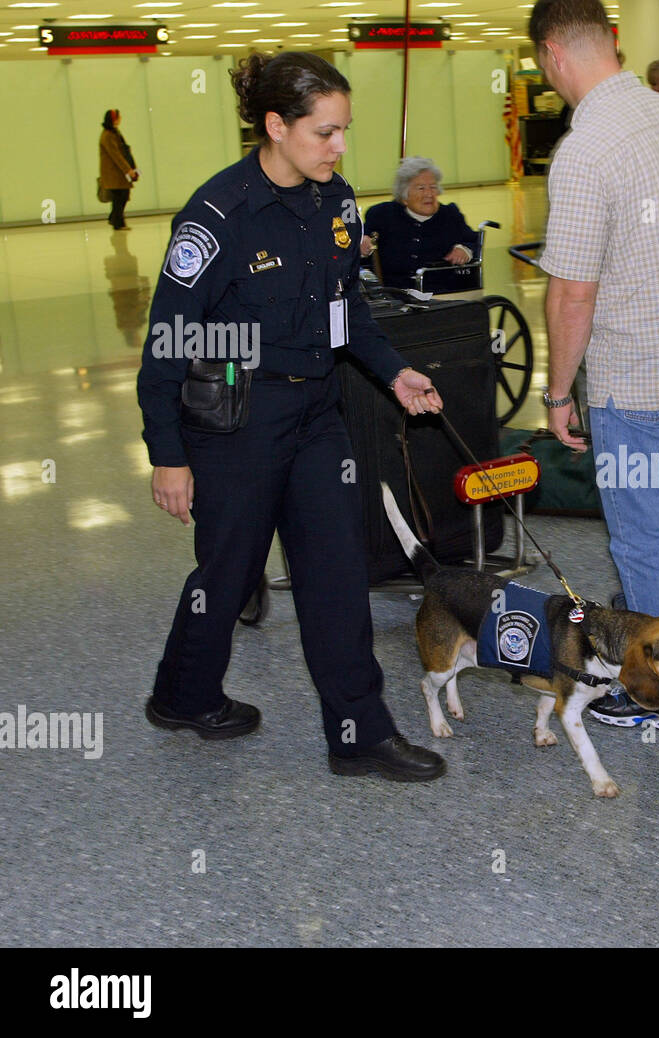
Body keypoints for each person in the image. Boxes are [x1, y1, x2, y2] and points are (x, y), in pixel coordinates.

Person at [137, 51, 449, 782]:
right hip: (236, 417)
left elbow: (348, 314)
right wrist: (167, 454)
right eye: (325, 132)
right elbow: (168, 343)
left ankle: (358, 733)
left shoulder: (336, 202)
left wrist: (393, 369)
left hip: (316, 414)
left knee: (336, 571)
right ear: (276, 126)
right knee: (230, 568)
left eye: (344, 131)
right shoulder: (217, 217)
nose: (340, 148)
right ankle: (184, 695)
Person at [530, 0, 659, 732]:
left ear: (552, 54)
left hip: (639, 377)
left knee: (643, 536)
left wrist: (558, 392)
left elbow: (573, 292)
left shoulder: (586, 149)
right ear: (610, 42)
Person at [360, 156, 478, 294]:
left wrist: (464, 249)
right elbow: (362, 237)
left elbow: (473, 240)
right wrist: (363, 241)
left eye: (433, 187)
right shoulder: (382, 215)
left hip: (441, 296)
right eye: (421, 188)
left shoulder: (450, 215)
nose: (429, 194)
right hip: (394, 295)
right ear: (404, 196)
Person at [99, 109, 139, 230]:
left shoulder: (113, 132)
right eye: (118, 116)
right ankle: (117, 222)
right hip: (114, 174)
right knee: (120, 197)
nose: (120, 118)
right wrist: (128, 170)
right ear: (114, 119)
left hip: (118, 173)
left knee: (122, 197)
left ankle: (115, 219)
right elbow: (116, 155)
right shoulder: (108, 135)